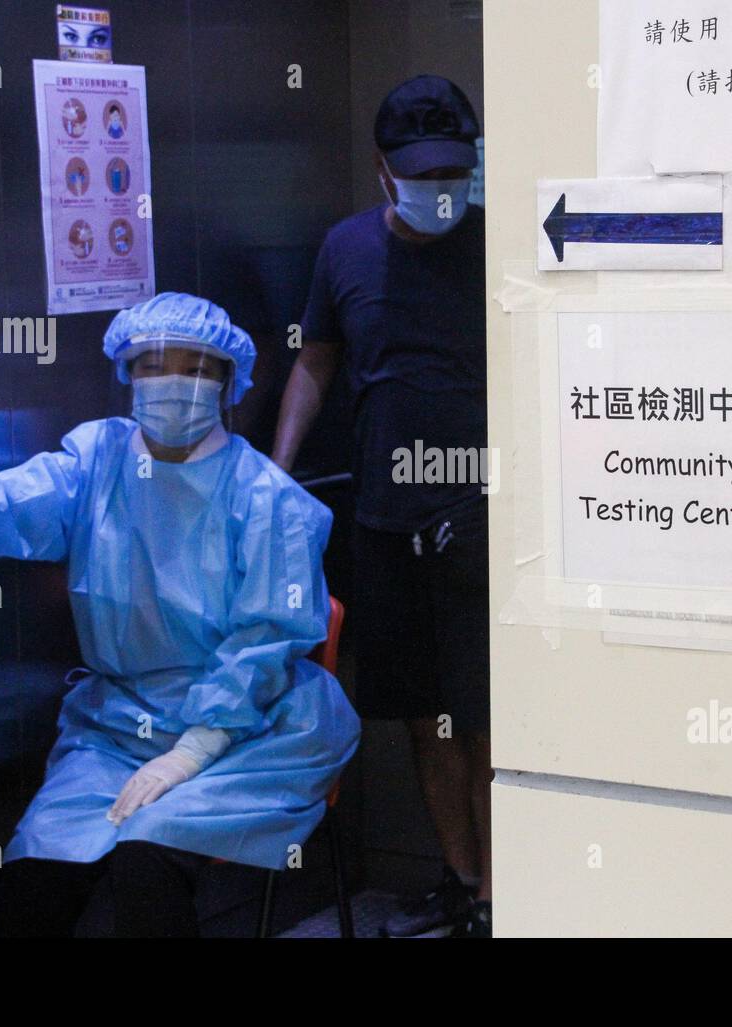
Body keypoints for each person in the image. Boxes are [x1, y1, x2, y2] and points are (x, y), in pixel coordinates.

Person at [0, 292, 360, 937]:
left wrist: (191, 752)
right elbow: (9, 504)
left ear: (228, 382)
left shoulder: (270, 502)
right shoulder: (97, 461)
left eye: (195, 368)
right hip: (119, 725)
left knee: (147, 862)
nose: (172, 384)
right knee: (36, 874)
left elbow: (265, 645)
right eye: (154, 365)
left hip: (257, 730)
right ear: (128, 374)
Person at [272, 75, 491, 938]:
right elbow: (315, 359)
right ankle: (459, 877)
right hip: (383, 521)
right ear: (382, 171)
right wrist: (277, 467)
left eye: (454, 174)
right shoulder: (345, 250)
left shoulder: (493, 244)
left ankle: (497, 900)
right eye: (422, 175)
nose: (441, 192)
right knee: (421, 718)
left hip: (480, 519)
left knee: (485, 721)